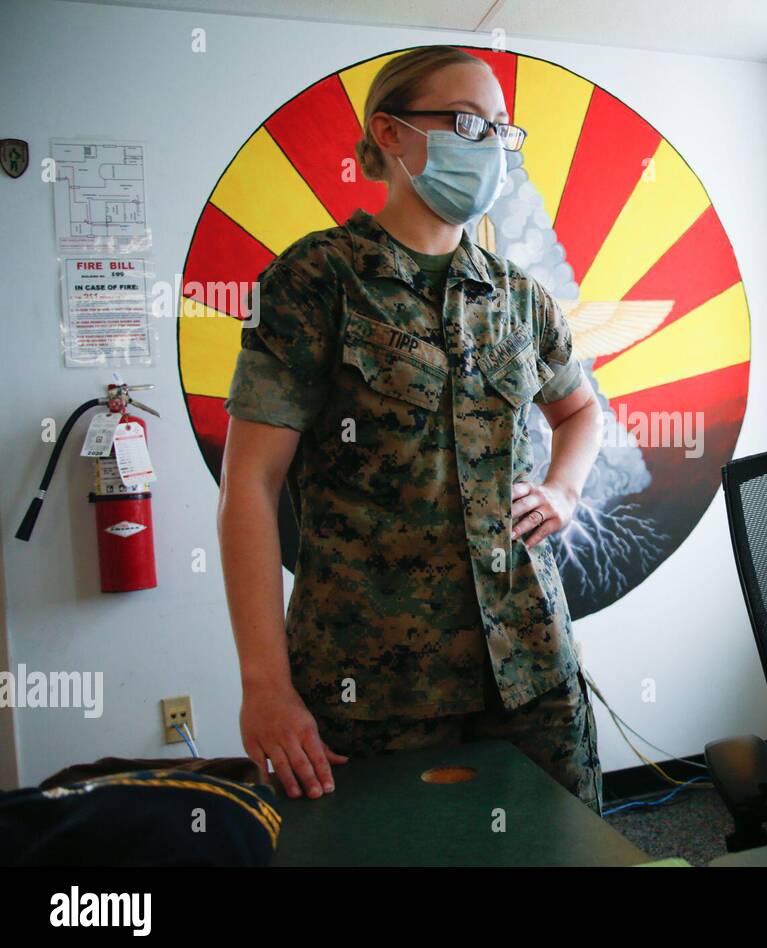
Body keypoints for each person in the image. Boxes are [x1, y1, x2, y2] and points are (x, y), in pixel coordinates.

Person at [217, 46, 605, 814]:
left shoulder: (518, 296)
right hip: (373, 684)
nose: (491, 145)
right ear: (390, 134)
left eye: (502, 128)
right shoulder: (317, 282)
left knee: (568, 853)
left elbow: (581, 409)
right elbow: (250, 487)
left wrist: (563, 489)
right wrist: (265, 687)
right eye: (468, 122)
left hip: (530, 666)